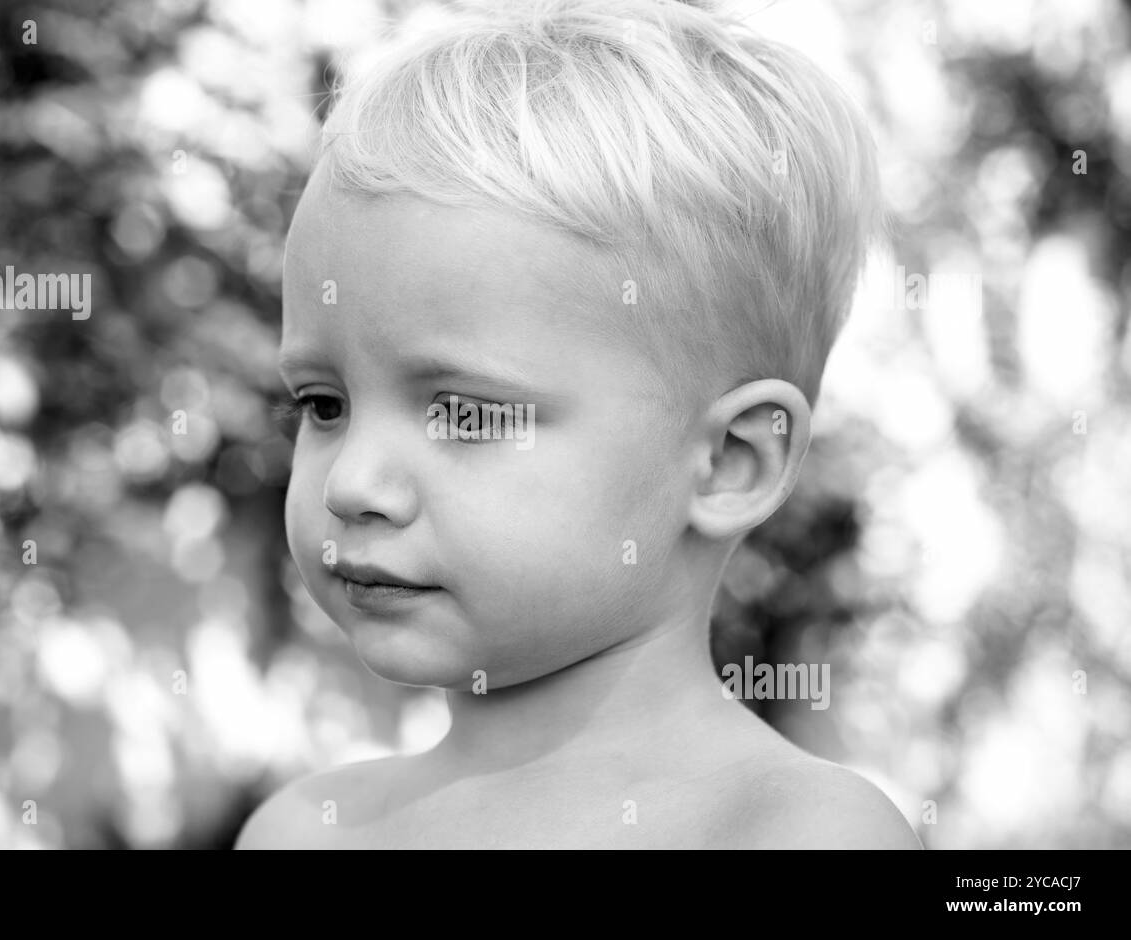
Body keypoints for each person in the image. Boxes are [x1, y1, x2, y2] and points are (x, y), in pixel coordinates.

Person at [237, 0, 920, 849]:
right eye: (323, 406)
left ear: (728, 462)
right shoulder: (305, 830)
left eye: (465, 414)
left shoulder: (793, 834)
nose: (350, 484)